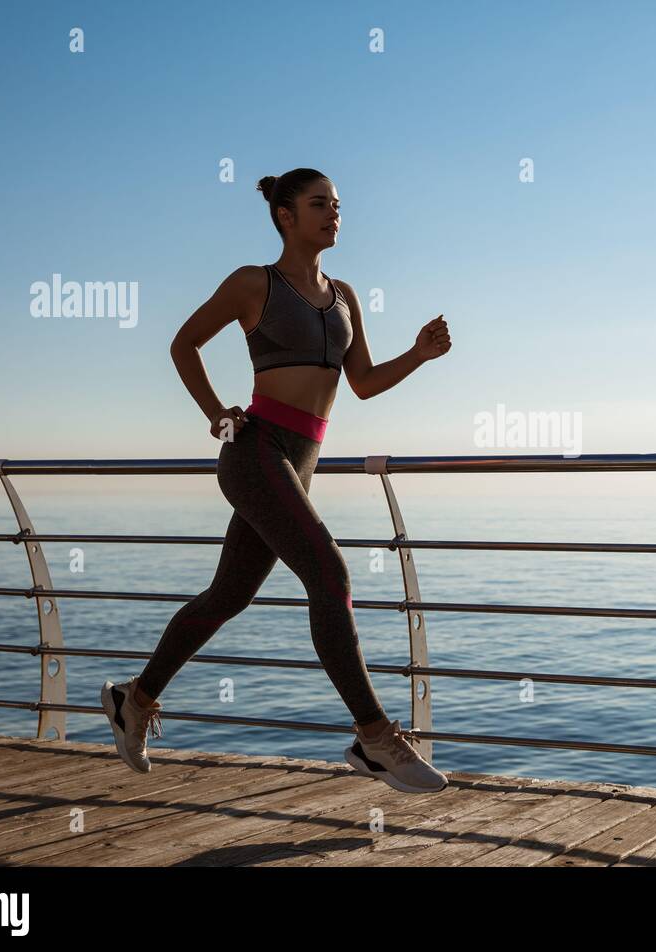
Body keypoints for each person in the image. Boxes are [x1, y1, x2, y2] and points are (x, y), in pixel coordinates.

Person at [101, 167, 452, 794]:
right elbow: (184, 344)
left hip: (300, 463)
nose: (334, 214)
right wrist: (216, 414)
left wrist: (420, 356)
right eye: (320, 204)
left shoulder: (344, 294)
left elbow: (364, 384)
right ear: (285, 217)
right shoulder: (252, 283)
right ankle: (375, 739)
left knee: (227, 596)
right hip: (256, 451)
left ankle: (135, 697)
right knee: (331, 573)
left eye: (338, 205)